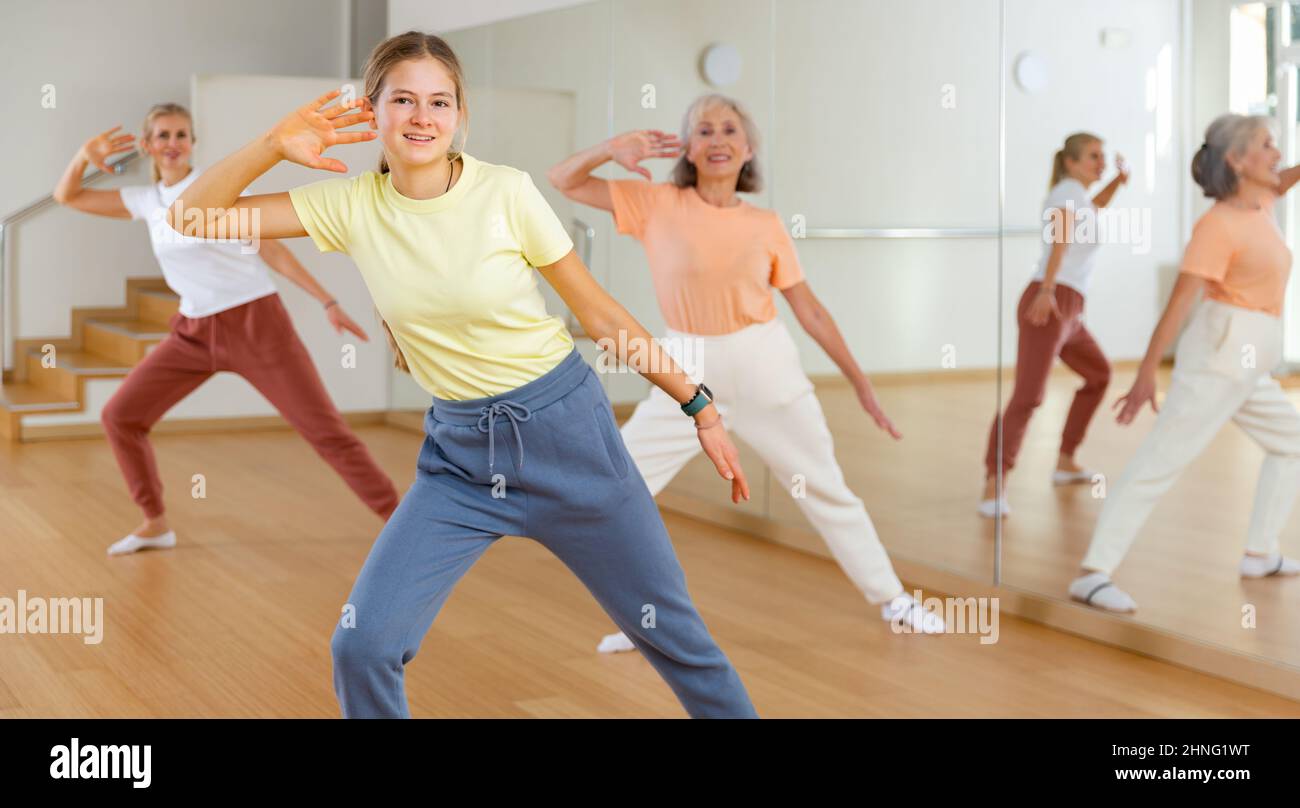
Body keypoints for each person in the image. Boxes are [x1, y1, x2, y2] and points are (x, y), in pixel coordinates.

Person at [173, 31, 759, 718]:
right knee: (360, 647)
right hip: (459, 459)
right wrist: (272, 144)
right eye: (403, 100)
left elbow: (601, 317)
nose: (422, 117)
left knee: (677, 640)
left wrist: (701, 410)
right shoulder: (350, 205)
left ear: (461, 117)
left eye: (439, 102)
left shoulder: (506, 192)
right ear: (373, 110)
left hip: (570, 438)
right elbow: (193, 216)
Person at [549, 94, 946, 652]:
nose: (716, 140)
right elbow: (562, 179)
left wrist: (860, 382)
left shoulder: (766, 224)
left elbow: (808, 309)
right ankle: (639, 618)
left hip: (766, 367)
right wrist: (611, 150)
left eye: (729, 130)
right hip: (684, 370)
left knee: (826, 488)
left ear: (748, 148)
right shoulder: (655, 203)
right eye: (703, 130)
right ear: (687, 147)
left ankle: (893, 599)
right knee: (621, 484)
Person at [52, 103, 399, 556]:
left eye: (180, 135)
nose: (172, 143)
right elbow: (69, 196)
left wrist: (327, 300)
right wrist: (82, 155)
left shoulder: (212, 189)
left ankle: (399, 520)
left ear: (193, 142)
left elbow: (271, 250)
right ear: (147, 145)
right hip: (192, 331)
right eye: (162, 135)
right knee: (120, 417)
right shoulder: (145, 200)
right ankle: (155, 523)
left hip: (256, 322)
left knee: (327, 432)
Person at [1070, 114, 1300, 612]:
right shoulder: (1217, 225)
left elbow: (1285, 177)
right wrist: (1146, 373)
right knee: (1162, 459)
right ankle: (1094, 573)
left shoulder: (1262, 202)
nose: (1277, 153)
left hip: (1249, 358)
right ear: (1238, 160)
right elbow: (1178, 304)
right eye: (1267, 144)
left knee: (1293, 444)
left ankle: (1260, 552)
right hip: (1220, 353)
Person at [980, 132, 1128, 518]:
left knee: (1099, 374)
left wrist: (1117, 181)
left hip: (1070, 307)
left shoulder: (1078, 196)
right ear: (1071, 162)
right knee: (1029, 396)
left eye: (1104, 156)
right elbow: (1061, 238)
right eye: (1095, 157)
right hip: (1050, 301)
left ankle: (1065, 461)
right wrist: (1046, 290)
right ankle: (994, 482)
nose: (1101, 162)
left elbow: (1092, 209)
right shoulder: (1065, 194)